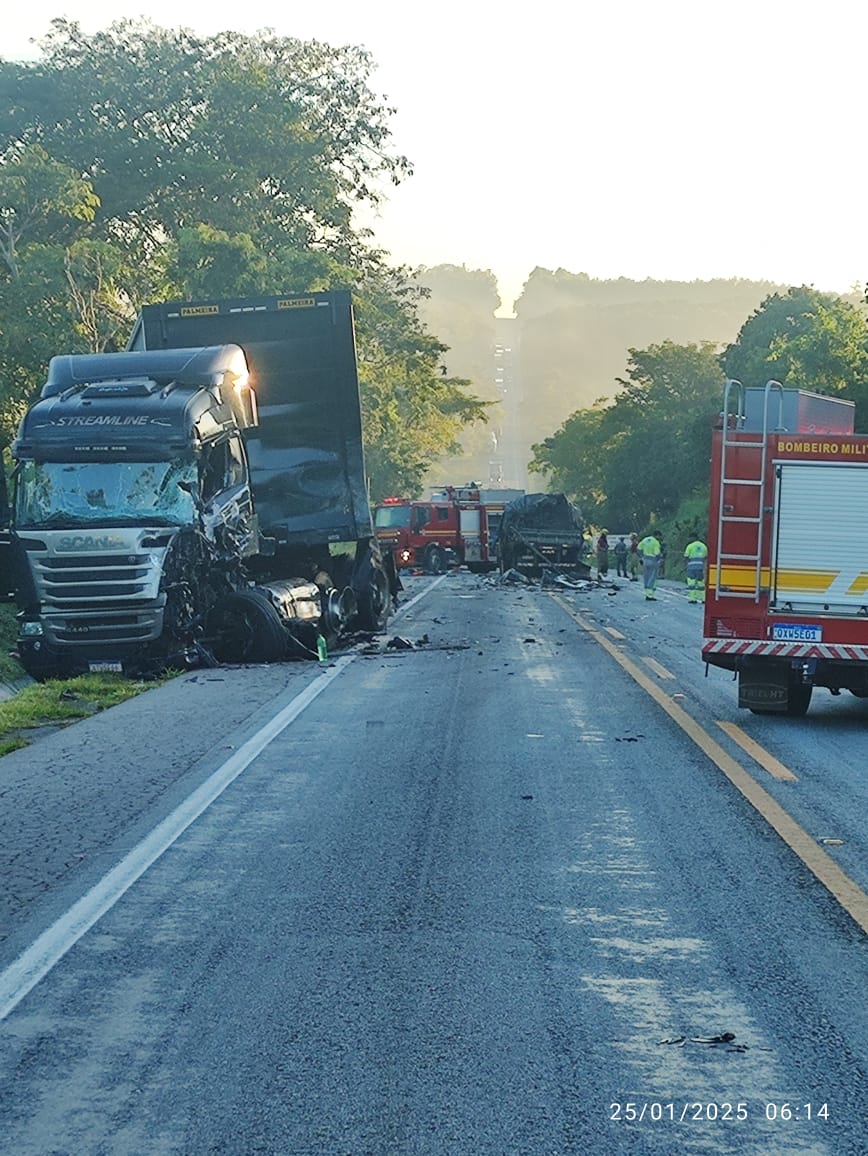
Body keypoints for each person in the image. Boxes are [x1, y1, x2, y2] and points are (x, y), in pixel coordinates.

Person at [683, 532, 708, 603]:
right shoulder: (703, 546)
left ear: (693, 537)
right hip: (700, 567)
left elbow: (686, 557)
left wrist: (685, 566)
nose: (690, 539)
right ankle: (703, 599)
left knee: (691, 583)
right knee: (701, 583)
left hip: (691, 567)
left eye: (690, 538)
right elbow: (706, 557)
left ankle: (693, 599)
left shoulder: (690, 546)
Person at [637, 531, 662, 600]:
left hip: (645, 560)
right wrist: (658, 560)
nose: (660, 538)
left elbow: (638, 549)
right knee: (652, 577)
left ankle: (647, 593)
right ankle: (650, 595)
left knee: (646, 577)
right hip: (653, 560)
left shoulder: (645, 539)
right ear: (657, 535)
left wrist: (641, 557)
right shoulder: (656, 542)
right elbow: (657, 553)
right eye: (659, 537)